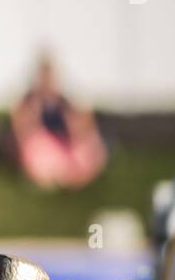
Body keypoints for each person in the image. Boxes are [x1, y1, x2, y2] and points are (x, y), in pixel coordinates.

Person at [9, 55, 108, 189]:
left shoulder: (63, 102)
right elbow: (22, 128)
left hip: (64, 145)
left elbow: (79, 126)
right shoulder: (29, 100)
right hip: (43, 147)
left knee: (86, 150)